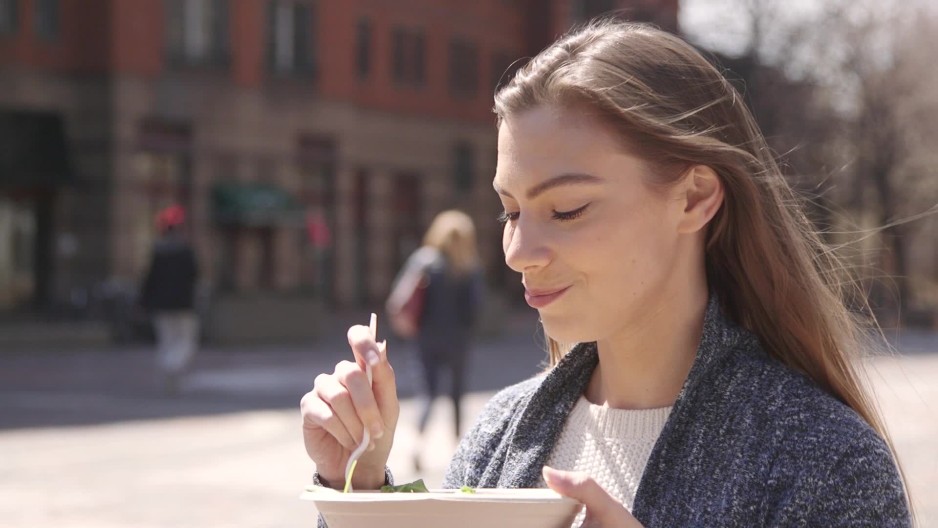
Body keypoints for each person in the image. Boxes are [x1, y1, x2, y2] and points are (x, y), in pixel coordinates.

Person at [300, 20, 911, 527]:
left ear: (695, 196)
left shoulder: (823, 462)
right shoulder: (503, 432)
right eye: (511, 211)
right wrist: (359, 488)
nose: (517, 251)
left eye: (567, 209)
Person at [385, 209, 484, 470]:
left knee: (427, 393)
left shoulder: (424, 260)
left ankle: (417, 444)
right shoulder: (468, 266)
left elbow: (399, 297)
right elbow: (474, 308)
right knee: (456, 394)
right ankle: (457, 448)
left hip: (425, 338)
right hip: (458, 340)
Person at [140, 204, 200, 395]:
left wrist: (144, 301)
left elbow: (150, 279)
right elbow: (194, 276)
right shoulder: (185, 251)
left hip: (161, 305)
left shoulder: (159, 251)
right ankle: (171, 369)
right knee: (185, 343)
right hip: (183, 305)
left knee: (167, 342)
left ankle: (169, 372)